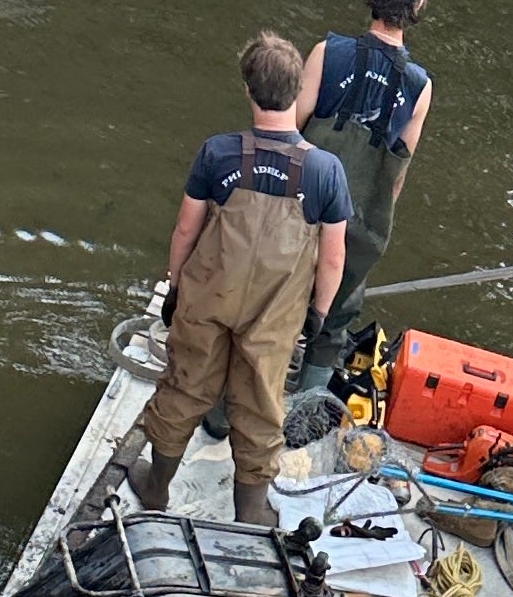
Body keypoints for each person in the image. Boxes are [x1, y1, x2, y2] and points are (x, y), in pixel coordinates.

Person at [130, 32, 351, 525]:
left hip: (209, 296)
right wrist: (318, 314)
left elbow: (186, 228)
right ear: (297, 94)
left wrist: (174, 287)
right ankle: (250, 511)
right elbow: (333, 259)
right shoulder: (325, 171)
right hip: (275, 311)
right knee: (260, 404)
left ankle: (155, 486)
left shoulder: (218, 154)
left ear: (248, 91)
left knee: (184, 387)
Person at [295, 0, 436, 383]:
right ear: (418, 7)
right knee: (334, 319)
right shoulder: (419, 85)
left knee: (269, 303)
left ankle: (224, 415)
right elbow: (395, 177)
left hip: (300, 208)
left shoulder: (327, 51)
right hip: (359, 225)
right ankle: (304, 414)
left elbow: (289, 130)